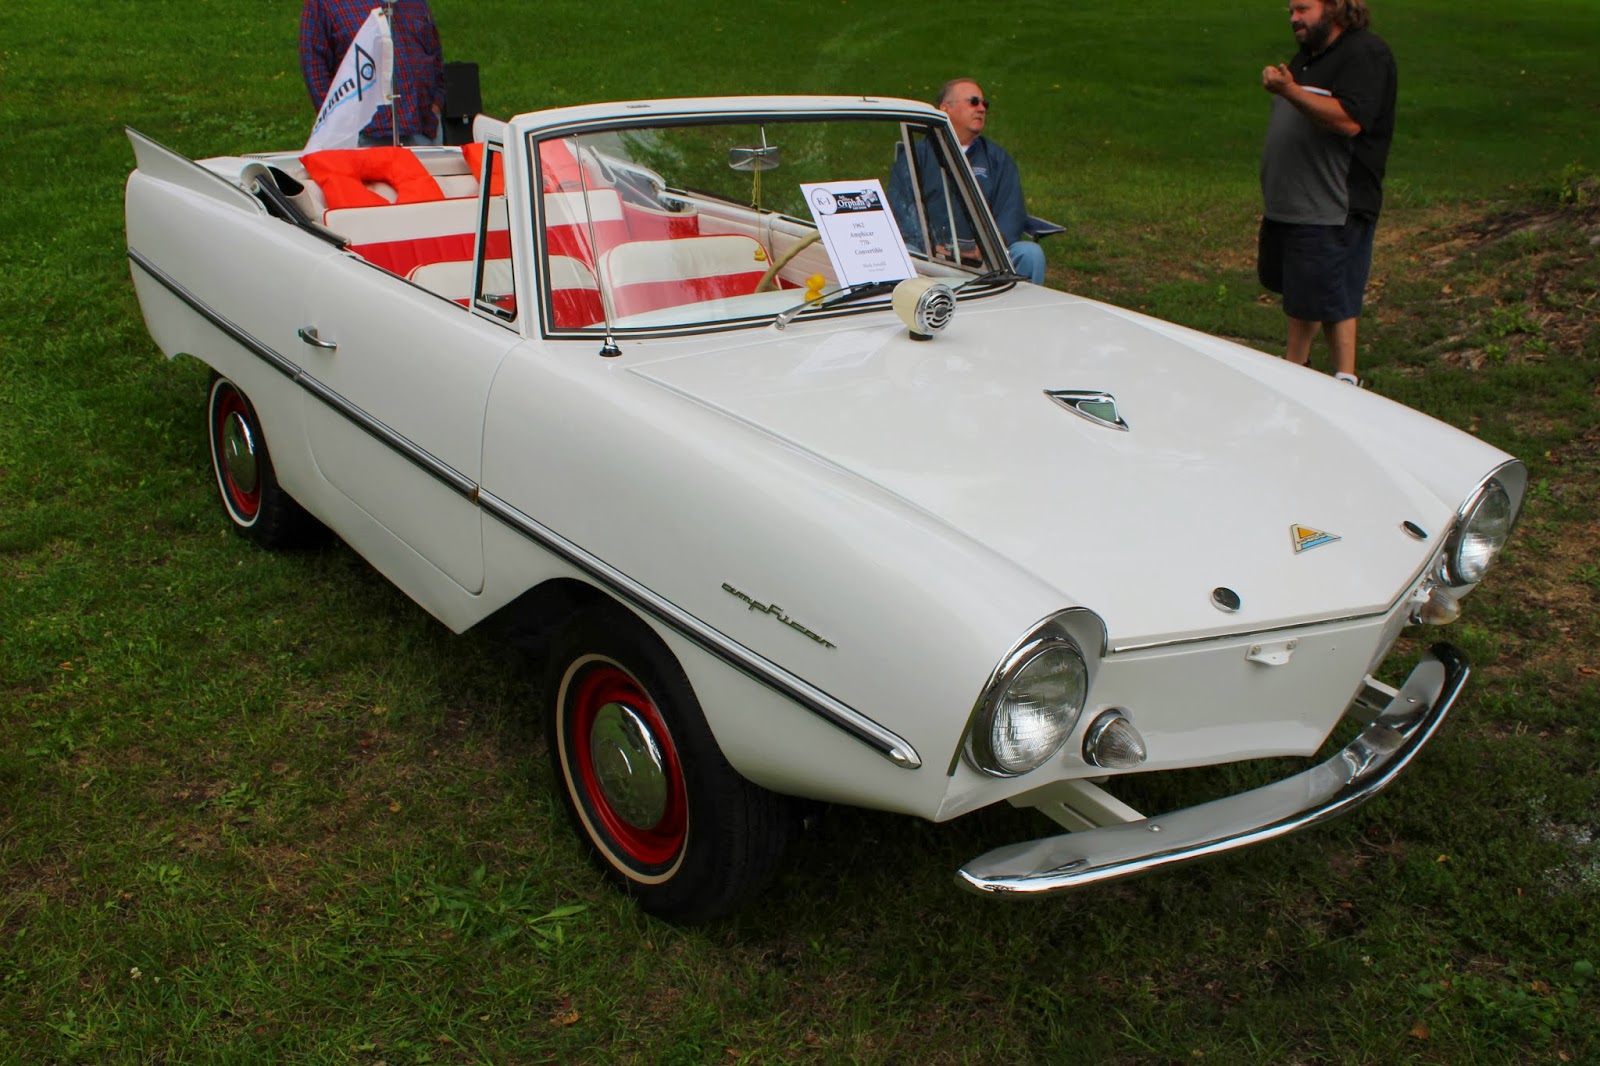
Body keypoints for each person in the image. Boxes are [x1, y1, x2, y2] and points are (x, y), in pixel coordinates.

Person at [1258, 0, 1397, 386]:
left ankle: (1332, 380)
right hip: (1294, 203)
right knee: (1308, 293)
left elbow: (1350, 120)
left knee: (1332, 293)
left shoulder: (1364, 54)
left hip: (1334, 202)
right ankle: (1307, 373)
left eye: (1302, 9)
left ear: (1335, 8)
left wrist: (1289, 90)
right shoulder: (1306, 58)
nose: (1293, 19)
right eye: (1290, 11)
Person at [890, 78, 1047, 285]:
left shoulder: (997, 159)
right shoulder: (916, 156)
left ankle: (1024, 315)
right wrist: (928, 246)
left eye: (985, 104)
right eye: (973, 102)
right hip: (930, 255)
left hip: (986, 258)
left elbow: (1012, 211)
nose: (981, 108)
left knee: (1030, 253)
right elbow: (900, 210)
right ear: (946, 109)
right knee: (905, 253)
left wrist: (989, 246)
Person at [301, 0, 445, 147]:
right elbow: (314, 68)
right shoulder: (325, 4)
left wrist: (436, 104)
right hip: (365, 136)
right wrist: (340, 124)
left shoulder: (413, 3)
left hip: (423, 128)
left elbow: (435, 55)